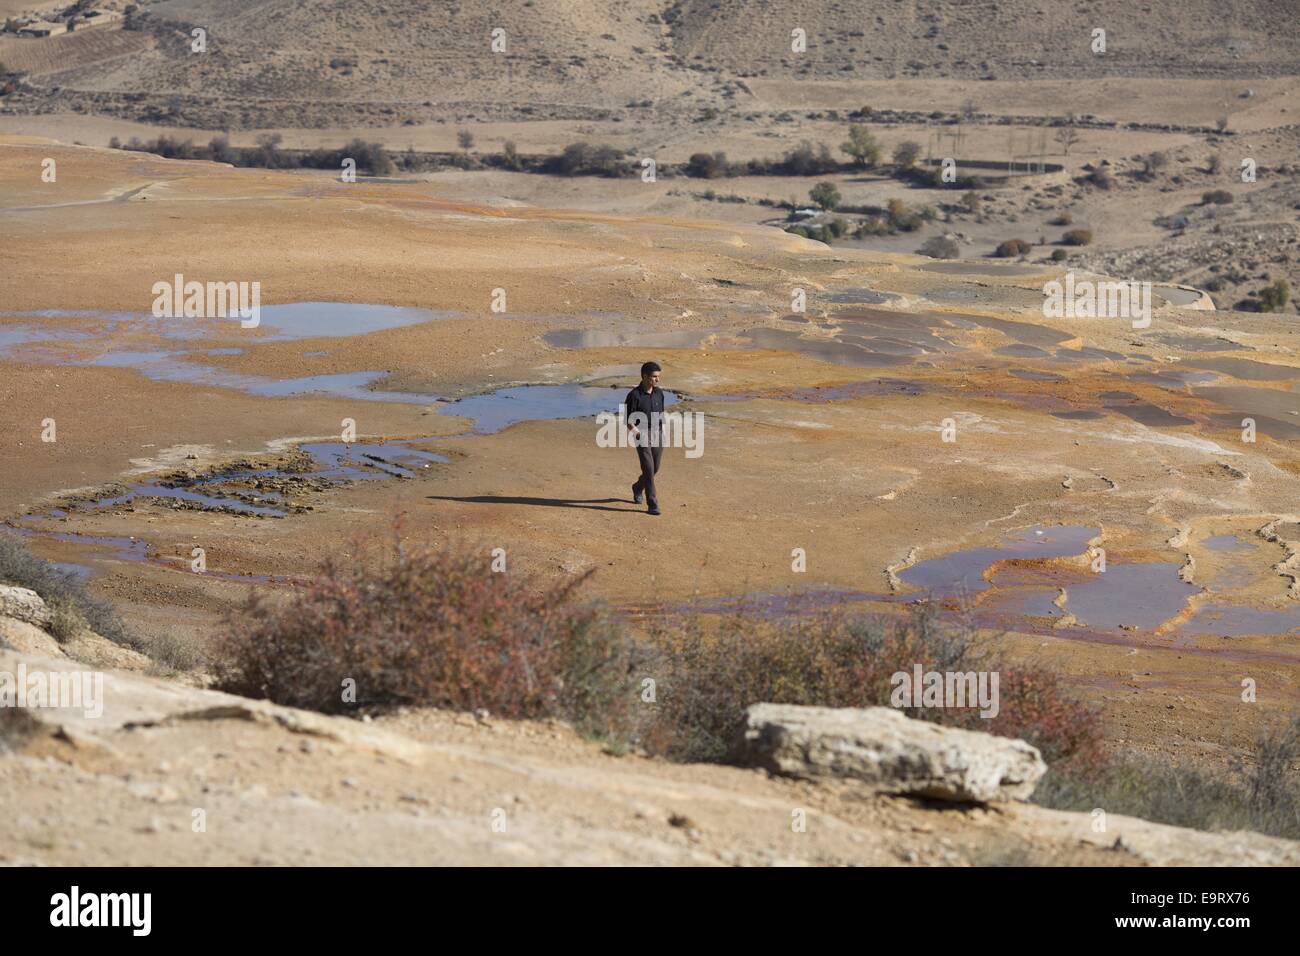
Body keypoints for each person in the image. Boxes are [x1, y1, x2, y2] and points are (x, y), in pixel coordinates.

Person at [623, 361, 665, 516]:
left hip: (657, 433)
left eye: (658, 376)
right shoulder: (634, 395)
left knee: (655, 468)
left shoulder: (659, 393)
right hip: (641, 434)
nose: (657, 379)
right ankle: (652, 503)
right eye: (654, 377)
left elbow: (661, 414)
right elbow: (627, 420)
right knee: (648, 468)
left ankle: (638, 487)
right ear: (645, 376)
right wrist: (637, 433)